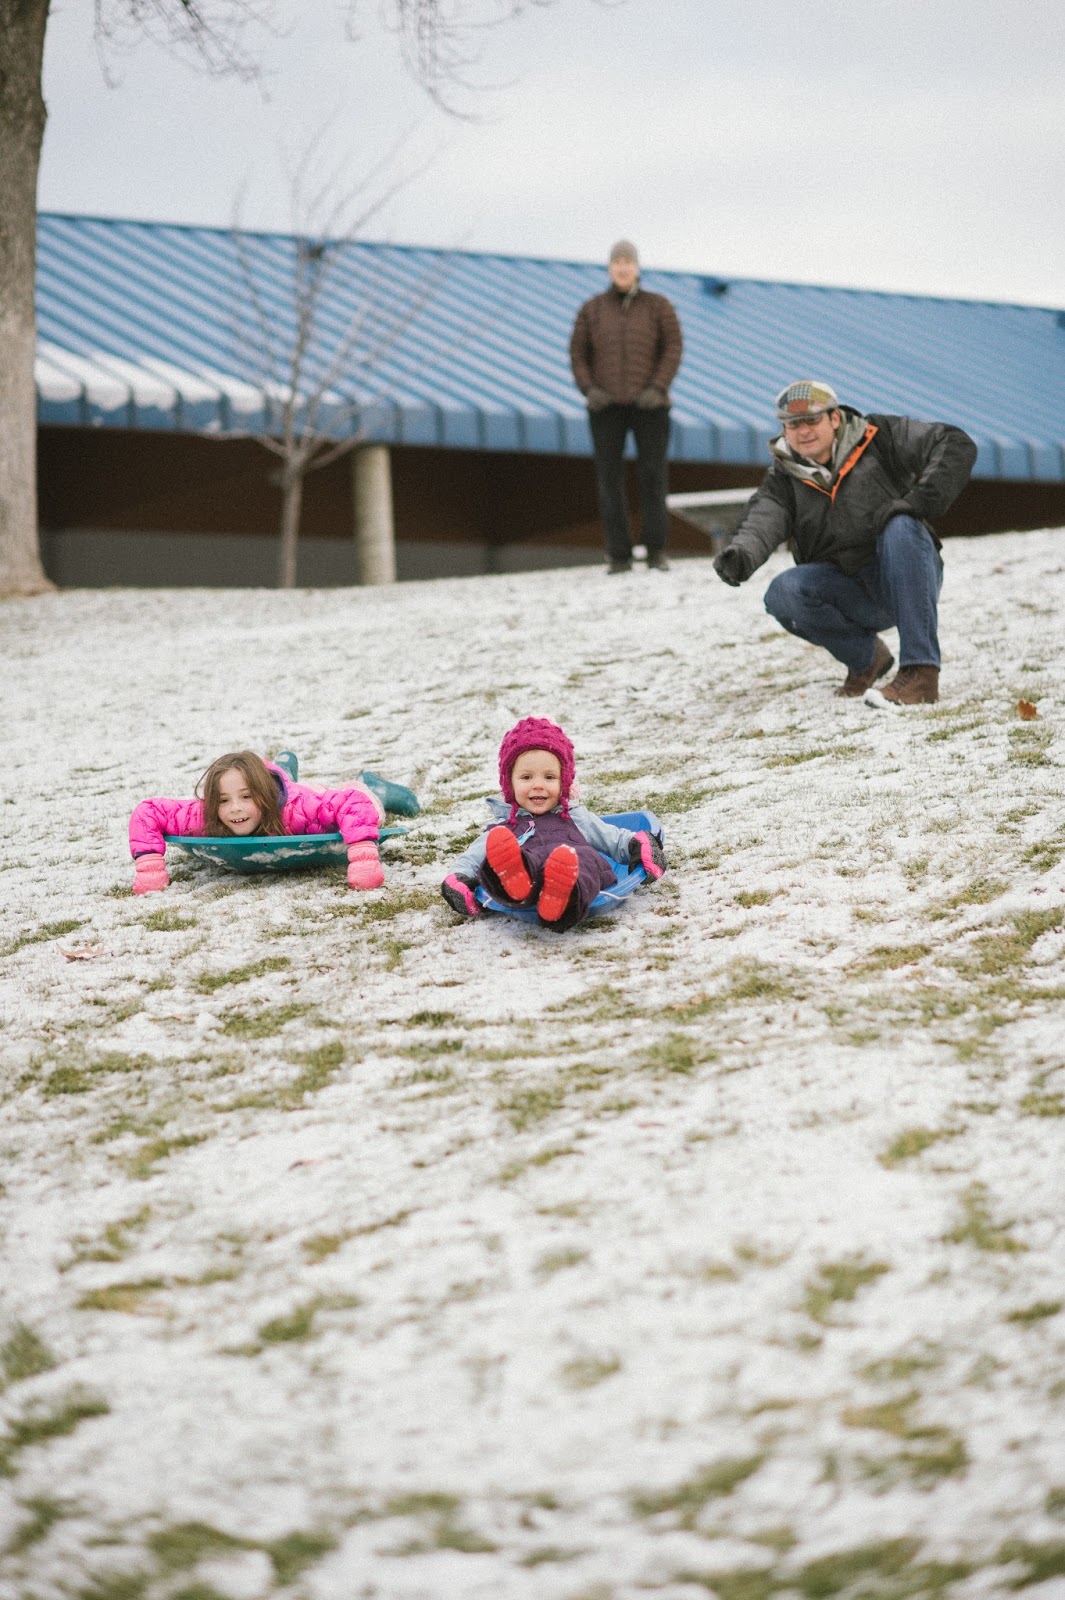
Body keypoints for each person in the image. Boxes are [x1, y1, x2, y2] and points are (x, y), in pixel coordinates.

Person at [712, 381, 977, 704]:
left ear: (834, 419)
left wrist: (922, 500)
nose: (803, 432)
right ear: (784, 429)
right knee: (784, 592)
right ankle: (867, 660)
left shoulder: (881, 436)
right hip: (847, 591)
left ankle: (920, 671)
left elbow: (953, 442)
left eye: (812, 421)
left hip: (905, 575)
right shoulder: (784, 477)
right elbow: (762, 520)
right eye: (793, 425)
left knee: (900, 525)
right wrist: (741, 555)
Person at [440, 717, 665, 931]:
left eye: (549, 777)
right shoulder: (503, 829)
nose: (538, 785)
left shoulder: (576, 817)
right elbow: (470, 860)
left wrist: (639, 845)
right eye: (526, 778)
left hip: (576, 872)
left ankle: (560, 894)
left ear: (564, 781)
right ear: (509, 783)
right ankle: (517, 882)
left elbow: (614, 839)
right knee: (517, 860)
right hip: (530, 883)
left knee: (581, 859)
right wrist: (459, 881)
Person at [569, 240, 683, 574]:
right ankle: (618, 555)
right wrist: (589, 389)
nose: (622, 267)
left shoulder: (658, 306)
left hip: (650, 406)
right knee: (609, 479)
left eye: (628, 262)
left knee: (653, 477)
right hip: (606, 407)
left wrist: (657, 387)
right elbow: (577, 353)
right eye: (617, 262)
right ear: (609, 268)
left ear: (637, 267)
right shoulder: (591, 309)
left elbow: (673, 348)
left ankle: (656, 551)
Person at [128, 750, 386, 892]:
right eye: (224, 800)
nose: (234, 809)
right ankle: (281, 767)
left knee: (370, 802)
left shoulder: (300, 810)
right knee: (262, 780)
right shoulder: (206, 814)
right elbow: (148, 811)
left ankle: (375, 784)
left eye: (246, 797)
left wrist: (363, 856)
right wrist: (150, 869)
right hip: (275, 787)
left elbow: (352, 803)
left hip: (313, 793)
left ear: (263, 795)